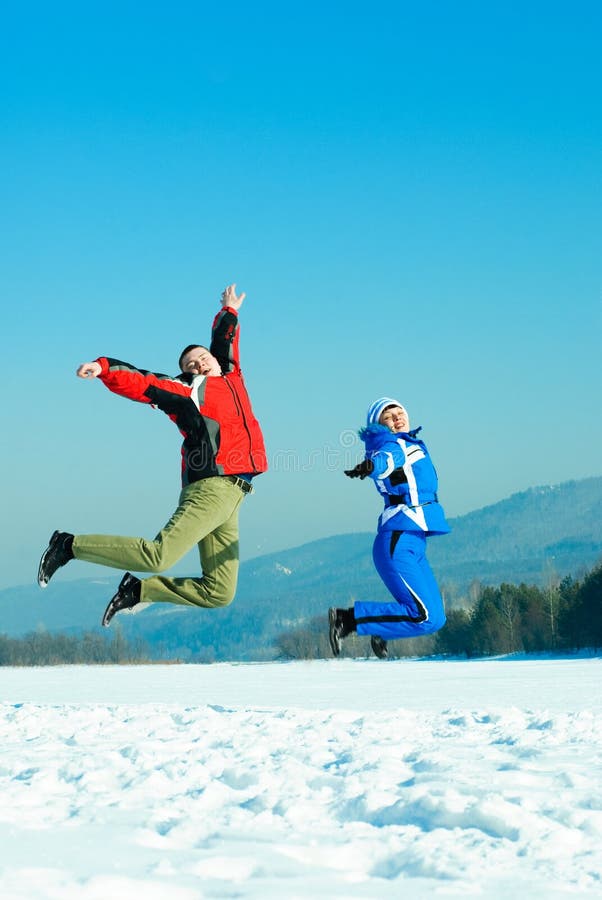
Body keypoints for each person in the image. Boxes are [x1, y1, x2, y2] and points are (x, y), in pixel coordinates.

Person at [38, 284, 267, 627]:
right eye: (191, 364)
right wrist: (104, 367)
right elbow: (144, 382)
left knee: (219, 592)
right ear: (188, 373)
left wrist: (229, 311)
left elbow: (225, 341)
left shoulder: (232, 376)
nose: (198, 363)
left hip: (235, 494)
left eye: (202, 357)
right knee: (158, 556)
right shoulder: (188, 392)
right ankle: (68, 546)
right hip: (211, 487)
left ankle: (138, 591)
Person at [329, 397, 449, 659]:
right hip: (398, 539)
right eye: (388, 417)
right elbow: (387, 460)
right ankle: (346, 620)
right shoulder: (391, 444)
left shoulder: (409, 443)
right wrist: (372, 466)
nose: (397, 418)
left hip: (414, 540)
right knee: (423, 615)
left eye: (399, 413)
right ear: (380, 426)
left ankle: (384, 629)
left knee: (435, 619)